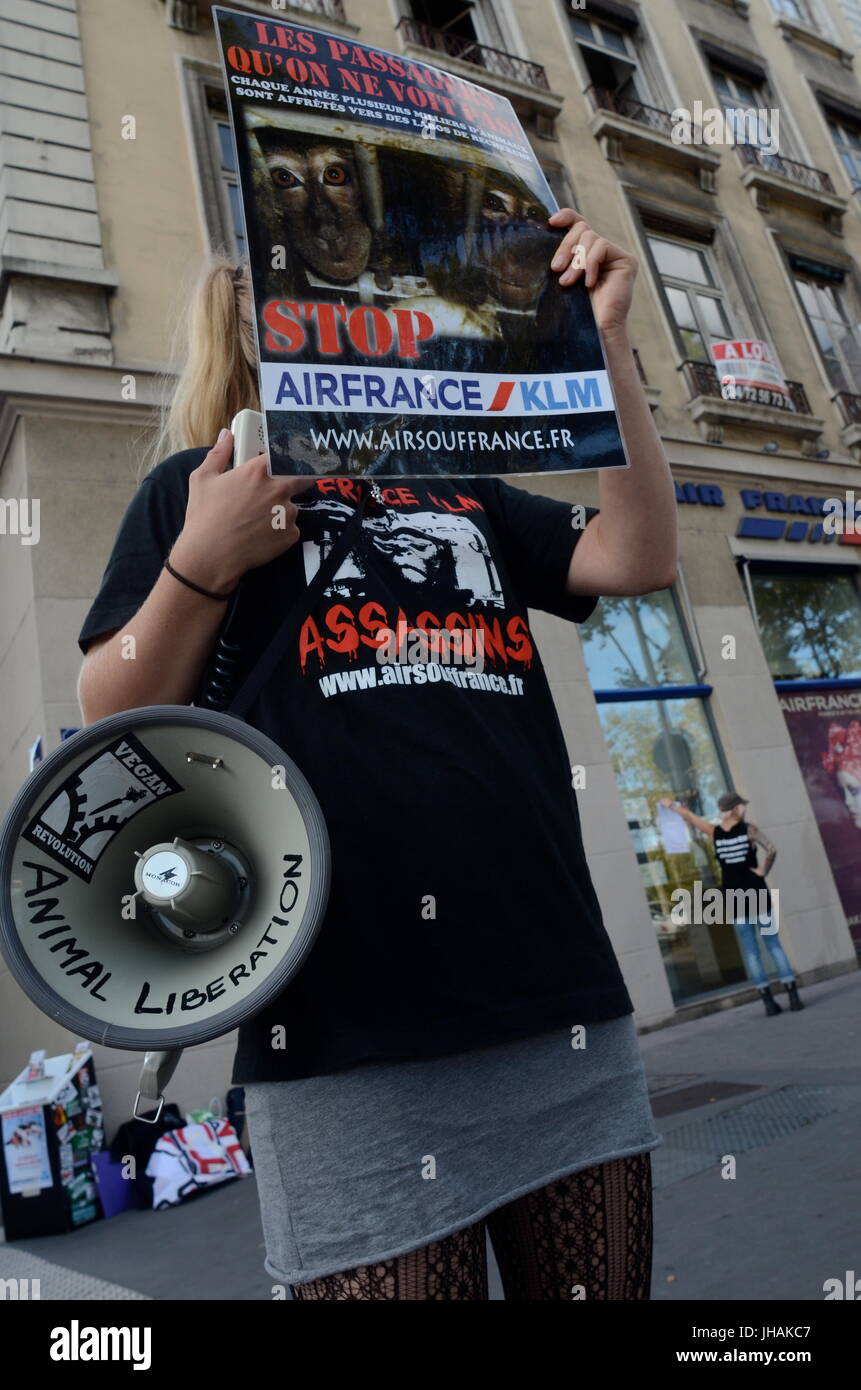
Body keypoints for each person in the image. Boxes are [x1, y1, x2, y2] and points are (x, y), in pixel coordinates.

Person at [77, 208, 677, 1301]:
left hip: (557, 1010)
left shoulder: (459, 478)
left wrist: (608, 346)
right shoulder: (198, 489)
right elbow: (111, 702)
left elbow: (634, 556)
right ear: (268, 336)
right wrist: (204, 561)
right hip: (345, 1044)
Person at [660, 793, 804, 1016]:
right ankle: (793, 997)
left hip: (734, 899)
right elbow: (772, 849)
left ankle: (768, 1003)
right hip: (757, 894)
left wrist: (671, 806)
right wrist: (763, 871)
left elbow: (690, 816)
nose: (744, 809)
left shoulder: (714, 832)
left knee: (751, 952)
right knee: (773, 945)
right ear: (736, 808)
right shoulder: (749, 829)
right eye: (742, 806)